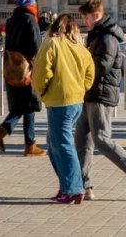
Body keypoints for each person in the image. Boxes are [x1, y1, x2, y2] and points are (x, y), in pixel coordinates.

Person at [76, 0, 126, 201]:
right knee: (82, 140)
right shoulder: (97, 35)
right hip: (90, 94)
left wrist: (79, 69)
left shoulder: (106, 38)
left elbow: (101, 67)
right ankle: (83, 185)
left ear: (96, 15)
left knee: (102, 139)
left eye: (86, 17)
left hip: (101, 95)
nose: (84, 21)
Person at [31, 14, 94, 205]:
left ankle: (74, 189)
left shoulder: (51, 43)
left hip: (59, 101)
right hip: (76, 101)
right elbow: (90, 74)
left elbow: (41, 72)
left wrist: (42, 91)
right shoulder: (81, 48)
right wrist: (81, 89)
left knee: (63, 145)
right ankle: (67, 185)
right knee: (54, 144)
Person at [0, 0, 44, 156]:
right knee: (28, 104)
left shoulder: (12, 19)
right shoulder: (30, 19)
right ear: (30, 3)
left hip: (13, 67)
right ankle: (3, 132)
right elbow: (36, 46)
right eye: (34, 0)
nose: (35, 2)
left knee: (26, 105)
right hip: (26, 68)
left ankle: (29, 144)